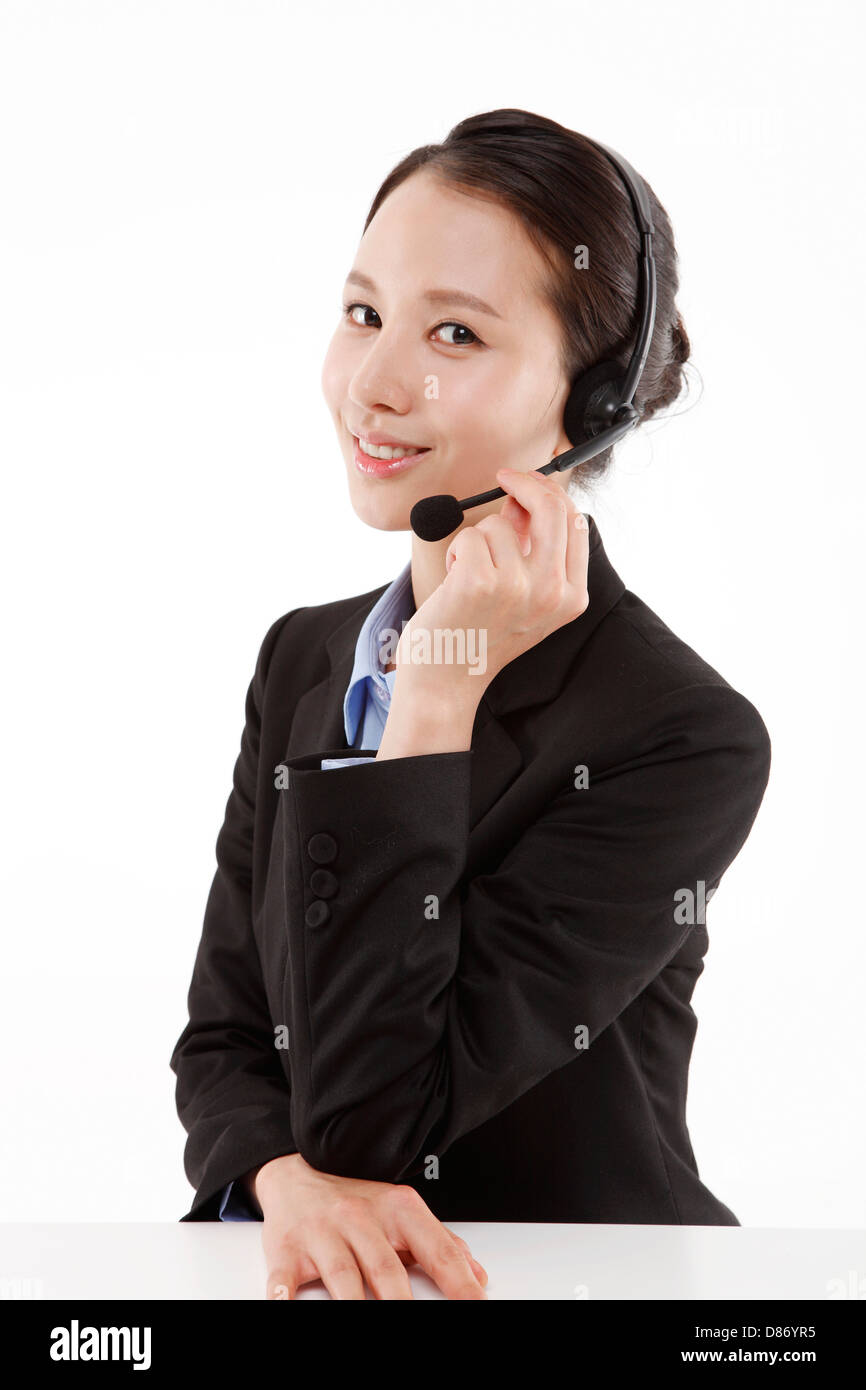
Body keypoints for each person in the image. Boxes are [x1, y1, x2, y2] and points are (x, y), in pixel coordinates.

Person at [170, 108, 771, 1301]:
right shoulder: (303, 655)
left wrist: (434, 697)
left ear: (591, 402)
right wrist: (280, 1180)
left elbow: (375, 1125)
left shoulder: (680, 737)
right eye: (362, 314)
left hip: (564, 1290)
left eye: (453, 332)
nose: (375, 383)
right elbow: (227, 1044)